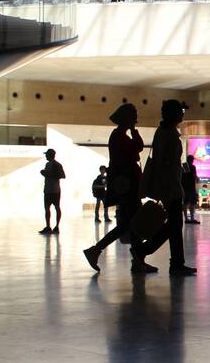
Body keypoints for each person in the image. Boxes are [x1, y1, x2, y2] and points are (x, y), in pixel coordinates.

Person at [83, 103, 157, 274]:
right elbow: (138, 147)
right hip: (127, 186)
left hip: (125, 185)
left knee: (129, 224)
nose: (135, 120)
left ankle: (135, 260)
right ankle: (99, 251)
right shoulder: (120, 136)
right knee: (132, 224)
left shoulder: (118, 135)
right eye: (133, 116)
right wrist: (134, 131)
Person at [140, 99, 197, 276]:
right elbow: (166, 163)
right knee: (174, 224)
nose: (182, 114)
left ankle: (174, 261)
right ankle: (146, 252)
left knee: (174, 225)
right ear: (173, 113)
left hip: (169, 185)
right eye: (180, 111)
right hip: (170, 186)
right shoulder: (169, 134)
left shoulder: (164, 131)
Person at [40, 148, 65, 235]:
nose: (45, 156)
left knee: (56, 207)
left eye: (46, 154)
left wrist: (47, 174)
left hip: (54, 190)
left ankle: (56, 226)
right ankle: (48, 226)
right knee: (47, 208)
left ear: (50, 155)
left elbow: (62, 175)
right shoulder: (48, 164)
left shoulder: (57, 165)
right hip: (49, 189)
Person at [181, 153, 199, 224]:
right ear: (192, 160)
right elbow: (194, 176)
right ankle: (192, 218)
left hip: (184, 187)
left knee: (185, 203)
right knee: (192, 203)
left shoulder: (184, 166)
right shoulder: (193, 167)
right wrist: (196, 178)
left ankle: (186, 218)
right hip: (191, 187)